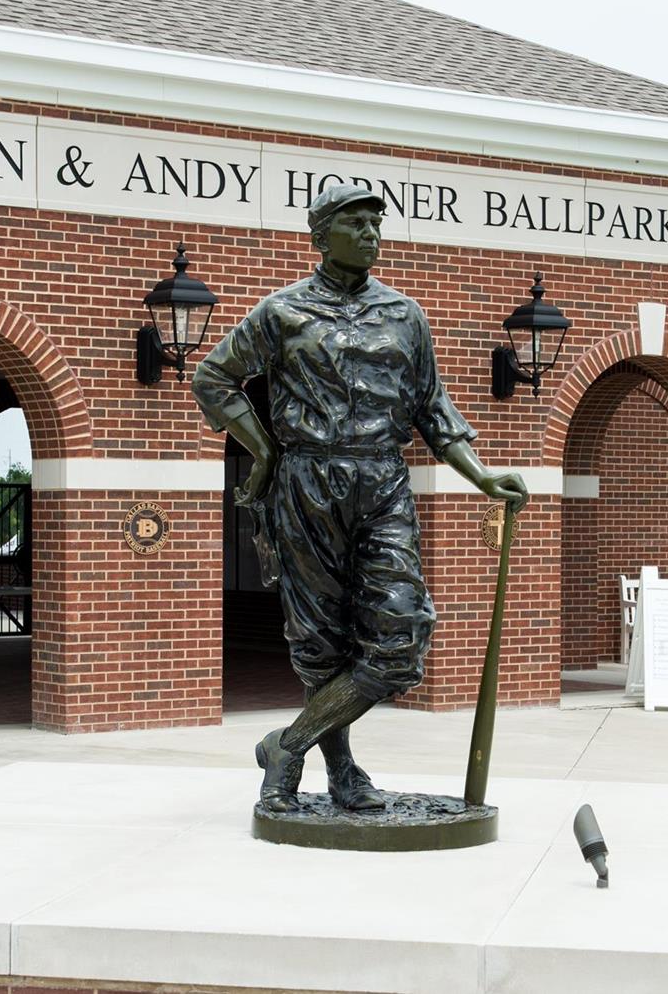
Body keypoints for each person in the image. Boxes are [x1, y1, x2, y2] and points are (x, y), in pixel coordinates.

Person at [193, 184, 527, 813]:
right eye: (356, 222)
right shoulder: (282, 313)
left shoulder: (406, 315)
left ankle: (287, 744)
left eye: (376, 223)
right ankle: (342, 769)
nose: (372, 233)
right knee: (319, 640)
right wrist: (262, 450)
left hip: (382, 481)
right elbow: (213, 376)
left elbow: (432, 408)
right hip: (306, 483)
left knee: (400, 637)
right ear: (321, 235)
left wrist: (482, 476)